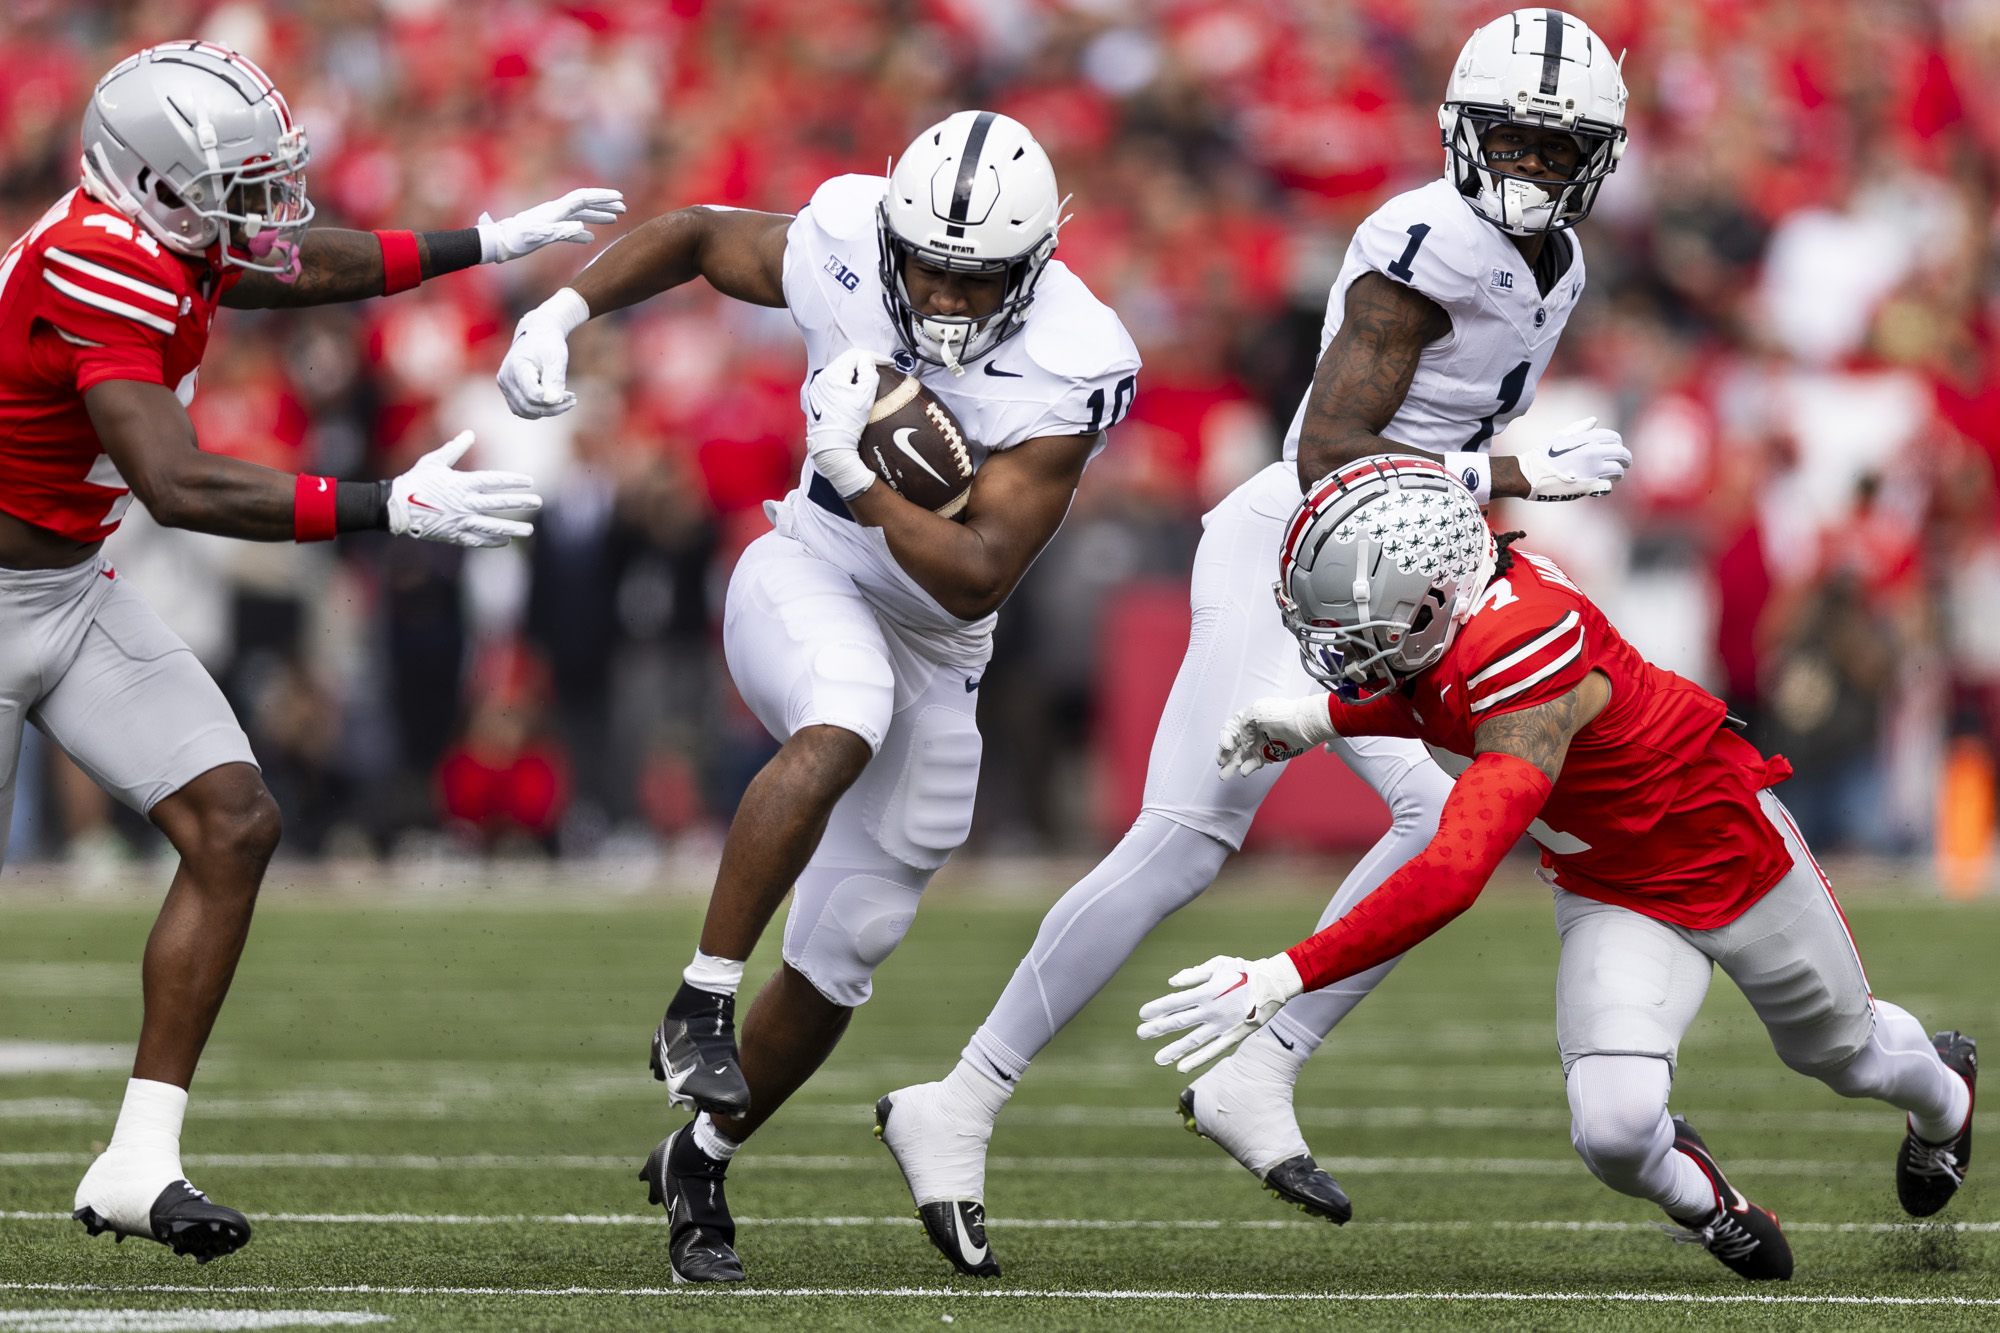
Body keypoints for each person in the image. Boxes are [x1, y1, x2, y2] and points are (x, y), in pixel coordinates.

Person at [872, 7, 1635, 1276]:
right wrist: (1509, 471)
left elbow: (1407, 473)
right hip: (1298, 544)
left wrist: (1483, 538)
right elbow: (1323, 453)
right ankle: (962, 1097)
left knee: (1441, 821)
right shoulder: (1425, 244)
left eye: (1558, 152)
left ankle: (1258, 1064)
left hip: (1397, 568)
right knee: (1183, 842)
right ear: (1459, 131)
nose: (1531, 171)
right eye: (1511, 139)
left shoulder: (1551, 261)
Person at [0, 41, 622, 1262]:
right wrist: (383, 503)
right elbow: (174, 482)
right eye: (230, 183)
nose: (260, 207)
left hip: (61, 589)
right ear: (150, 184)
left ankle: (138, 1161)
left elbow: (286, 266)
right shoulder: (97, 265)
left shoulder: (158, 236)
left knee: (234, 821)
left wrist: (481, 243)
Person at [496, 110, 1141, 1283]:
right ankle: (698, 1002)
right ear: (889, 229)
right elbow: (694, 234)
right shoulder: (848, 231)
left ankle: (698, 1156)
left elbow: (980, 568)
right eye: (926, 261)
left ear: (1037, 261)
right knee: (844, 708)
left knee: (855, 941)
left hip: (939, 633)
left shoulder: (1077, 355)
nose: (944, 291)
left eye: (975, 272)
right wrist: (560, 311)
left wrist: (859, 472)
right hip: (802, 569)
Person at [1144, 454, 1978, 1282]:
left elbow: (1456, 868)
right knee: (1614, 1131)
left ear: (1434, 595)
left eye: (1364, 629)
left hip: (1724, 856)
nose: (1344, 646)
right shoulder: (1466, 598)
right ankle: (1710, 1204)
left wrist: (1284, 972)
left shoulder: (1524, 647)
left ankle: (1946, 1102)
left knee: (1845, 1057)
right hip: (1610, 886)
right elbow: (1437, 686)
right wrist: (1318, 714)